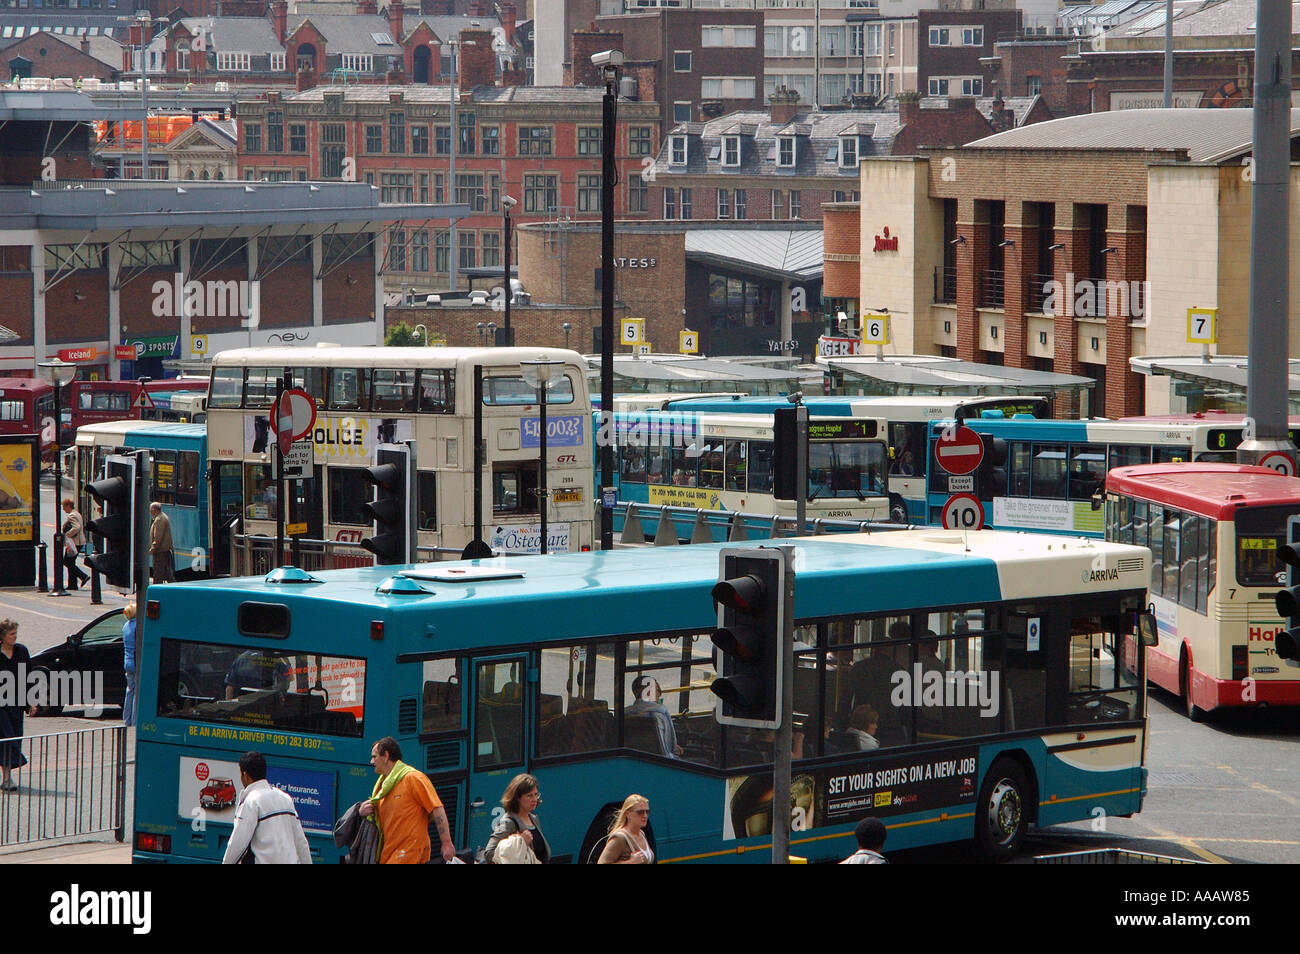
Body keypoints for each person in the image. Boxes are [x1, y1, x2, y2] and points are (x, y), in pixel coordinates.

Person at [359, 736, 455, 864]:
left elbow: (437, 808)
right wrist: (362, 812)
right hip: (389, 854)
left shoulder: (413, 778)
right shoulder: (382, 786)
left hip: (409, 852)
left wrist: (447, 843)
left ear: (386, 756)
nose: (371, 761)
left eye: (374, 756)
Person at [221, 752, 312, 864]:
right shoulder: (285, 798)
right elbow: (301, 842)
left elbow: (238, 843)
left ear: (245, 775)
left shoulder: (251, 801)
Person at [0, 620, 36, 792]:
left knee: (15, 736)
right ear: (2, 636)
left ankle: (7, 777)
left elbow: (28, 676)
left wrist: (31, 701)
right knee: (7, 739)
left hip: (16, 703)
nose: (15, 637)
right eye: (11, 634)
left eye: (16, 633)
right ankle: (7, 778)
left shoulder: (21, 651)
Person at [483, 773, 550, 864]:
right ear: (517, 798)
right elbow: (489, 854)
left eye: (536, 794)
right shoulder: (509, 822)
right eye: (529, 796)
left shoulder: (533, 818)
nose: (534, 799)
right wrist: (519, 842)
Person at [625, 675, 682, 757]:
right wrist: (673, 751)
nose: (660, 694)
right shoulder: (658, 715)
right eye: (658, 690)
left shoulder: (626, 714)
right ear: (648, 692)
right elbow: (664, 753)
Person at [597, 793, 654, 864]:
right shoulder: (619, 838)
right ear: (628, 814)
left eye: (647, 811)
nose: (645, 815)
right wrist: (630, 862)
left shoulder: (641, 834)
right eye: (640, 812)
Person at [225, 650, 289, 699]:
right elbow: (289, 678)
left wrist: (228, 707)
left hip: (243, 704)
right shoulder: (275, 658)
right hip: (267, 702)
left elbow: (230, 687)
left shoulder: (240, 659)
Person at [60, 498, 90, 590]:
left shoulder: (72, 515)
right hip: (79, 542)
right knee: (70, 562)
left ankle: (83, 576)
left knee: (67, 562)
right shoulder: (76, 513)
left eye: (64, 507)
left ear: (68, 506)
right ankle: (72, 585)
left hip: (75, 542)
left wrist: (67, 535)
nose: (63, 509)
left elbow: (76, 527)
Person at [149, 502, 175, 584]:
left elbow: (158, 536)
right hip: (164, 551)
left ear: (154, 509)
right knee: (167, 574)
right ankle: (175, 590)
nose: (150, 511)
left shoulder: (159, 519)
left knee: (158, 574)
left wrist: (153, 548)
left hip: (160, 551)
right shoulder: (162, 516)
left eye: (150, 509)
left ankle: (156, 592)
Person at [121, 603, 137, 727]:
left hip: (127, 661)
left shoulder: (126, 626)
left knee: (130, 691)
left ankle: (127, 720)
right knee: (137, 692)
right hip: (136, 662)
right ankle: (135, 720)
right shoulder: (138, 625)